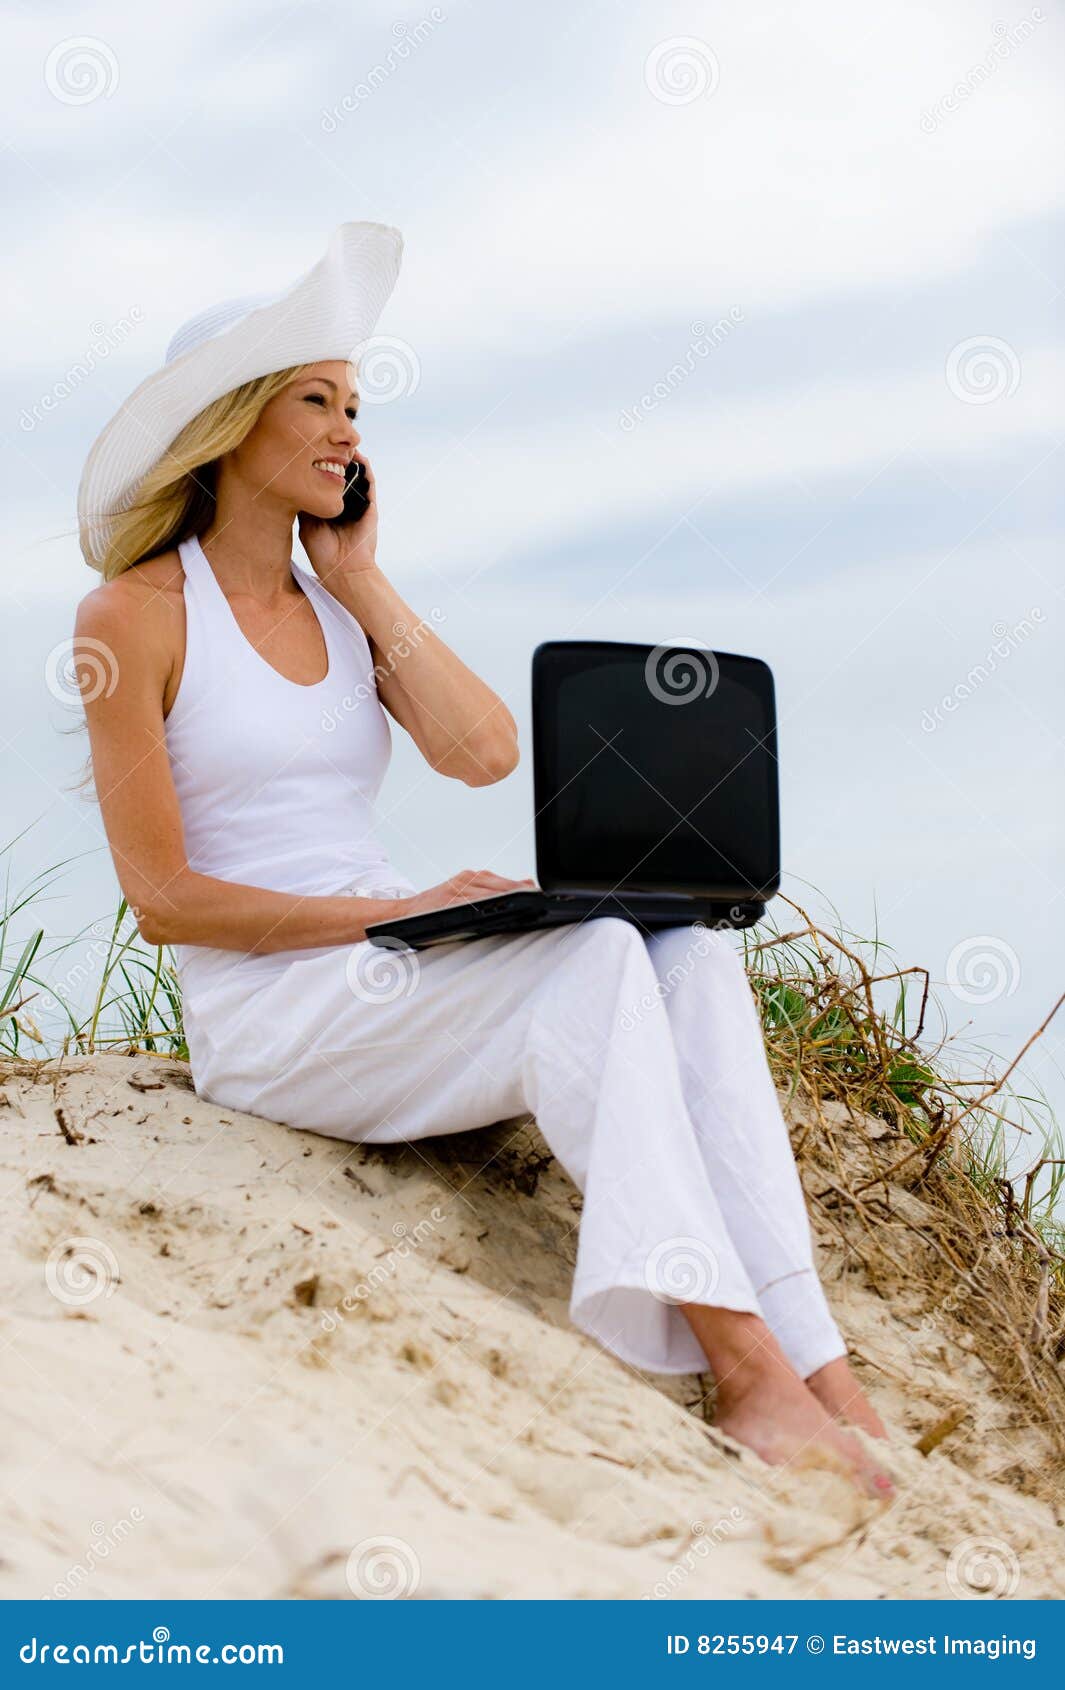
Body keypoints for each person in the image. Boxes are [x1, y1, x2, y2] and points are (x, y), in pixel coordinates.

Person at [73, 222, 893, 1499]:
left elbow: (483, 752)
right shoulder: (133, 614)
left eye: (356, 404)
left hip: (378, 965)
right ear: (231, 425)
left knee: (682, 944)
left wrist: (364, 580)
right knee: (594, 961)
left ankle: (820, 1359)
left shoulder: (338, 606)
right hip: (271, 1011)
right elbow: (165, 900)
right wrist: (392, 911)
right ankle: (745, 1378)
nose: (352, 429)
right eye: (318, 400)